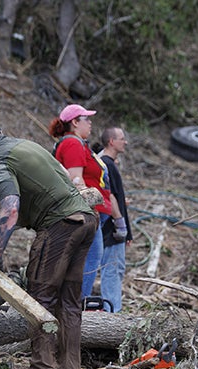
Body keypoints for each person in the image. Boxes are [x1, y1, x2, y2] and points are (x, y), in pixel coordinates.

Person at [0, 115, 97, 369]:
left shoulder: (1, 164)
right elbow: (63, 176)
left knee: (41, 301)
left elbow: (11, 206)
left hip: (60, 227)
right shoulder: (27, 146)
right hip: (85, 220)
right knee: (70, 304)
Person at [48, 104, 123, 300]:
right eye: (86, 119)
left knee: (86, 257)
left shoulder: (76, 143)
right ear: (74, 122)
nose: (90, 123)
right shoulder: (72, 144)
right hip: (85, 212)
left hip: (88, 211)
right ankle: (78, 302)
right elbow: (76, 180)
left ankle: (74, 301)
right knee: (91, 257)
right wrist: (90, 209)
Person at [96, 127, 131, 312]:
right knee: (112, 270)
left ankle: (112, 311)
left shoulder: (108, 163)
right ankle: (112, 314)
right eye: (122, 138)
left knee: (114, 270)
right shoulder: (106, 164)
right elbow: (108, 196)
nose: (125, 142)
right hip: (111, 229)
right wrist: (120, 224)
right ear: (111, 141)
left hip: (113, 228)